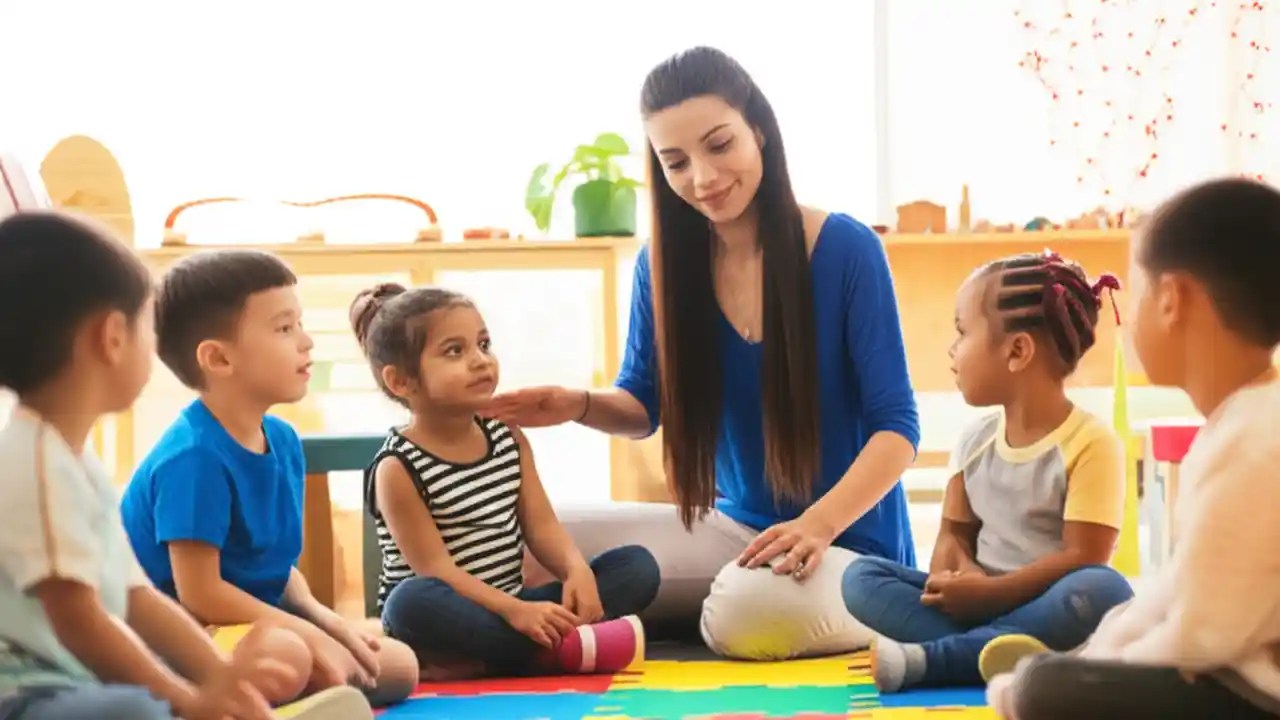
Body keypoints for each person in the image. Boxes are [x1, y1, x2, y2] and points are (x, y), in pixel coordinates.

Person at [484, 46, 920, 660]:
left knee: (743, 614)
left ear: (759, 132)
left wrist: (817, 525)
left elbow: (897, 429)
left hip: (848, 546)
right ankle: (620, 624)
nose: (703, 178)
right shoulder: (659, 266)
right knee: (524, 542)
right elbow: (643, 406)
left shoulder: (846, 249)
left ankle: (857, 610)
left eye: (720, 146)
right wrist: (575, 403)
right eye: (676, 161)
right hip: (730, 532)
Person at [0, 212, 371, 719]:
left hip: (73, 680)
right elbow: (80, 621)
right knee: (131, 711)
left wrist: (221, 682)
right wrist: (189, 700)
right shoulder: (34, 464)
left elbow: (135, 597)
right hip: (28, 692)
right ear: (111, 338)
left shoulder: (74, 460)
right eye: (145, 330)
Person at [987, 177, 1280, 719]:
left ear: (1173, 299)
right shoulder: (1240, 422)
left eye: (1135, 293)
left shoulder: (1256, 441)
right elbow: (1169, 592)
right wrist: (1101, 650)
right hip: (1230, 667)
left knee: (1043, 690)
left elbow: (1197, 637)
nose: (1127, 321)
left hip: (1257, 693)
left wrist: (1095, 672)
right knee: (1066, 667)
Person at [118, 249, 418, 707]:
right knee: (288, 656)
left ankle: (295, 701)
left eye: (300, 323)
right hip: (172, 638)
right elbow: (201, 593)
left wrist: (324, 619)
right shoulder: (193, 457)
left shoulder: (281, 439)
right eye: (284, 328)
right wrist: (300, 631)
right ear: (218, 359)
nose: (306, 342)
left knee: (395, 664)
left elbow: (272, 570)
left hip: (245, 627)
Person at [842, 250, 1135, 692]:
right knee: (860, 578)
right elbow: (952, 536)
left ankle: (940, 659)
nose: (952, 348)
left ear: (1017, 351)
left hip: (1050, 605)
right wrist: (964, 579)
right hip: (976, 601)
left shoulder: (1092, 443)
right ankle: (1009, 653)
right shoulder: (975, 441)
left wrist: (993, 596)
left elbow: (1084, 558)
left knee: (1105, 589)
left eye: (962, 332)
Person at [349, 283, 659, 677]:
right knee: (410, 601)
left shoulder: (506, 436)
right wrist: (517, 611)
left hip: (511, 607)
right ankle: (550, 653)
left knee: (637, 567)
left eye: (483, 344)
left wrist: (574, 569)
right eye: (454, 351)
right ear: (401, 382)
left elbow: (541, 525)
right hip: (446, 612)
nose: (480, 361)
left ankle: (500, 656)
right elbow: (436, 570)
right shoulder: (397, 467)